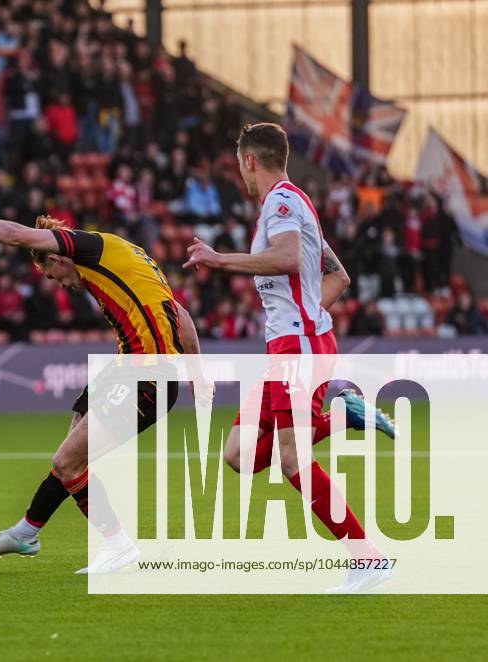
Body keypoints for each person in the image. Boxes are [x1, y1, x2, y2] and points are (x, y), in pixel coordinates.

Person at [0, 202, 201, 574]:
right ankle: (27, 532)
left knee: (68, 462)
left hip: (146, 376)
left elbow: (14, 235)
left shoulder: (88, 247)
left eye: (51, 276)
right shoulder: (132, 258)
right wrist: (196, 371)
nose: (60, 285)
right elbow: (183, 316)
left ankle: (118, 546)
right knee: (70, 454)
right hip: (125, 369)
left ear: (57, 258)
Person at [183, 123, 397, 593]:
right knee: (239, 453)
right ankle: (342, 417)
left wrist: (220, 260)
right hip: (291, 347)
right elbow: (336, 274)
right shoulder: (295, 204)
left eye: (241, 165)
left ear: (250, 161)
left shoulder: (281, 204)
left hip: (297, 349)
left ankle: (369, 558)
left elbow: (284, 259)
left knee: (292, 460)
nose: (242, 172)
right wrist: (311, 312)